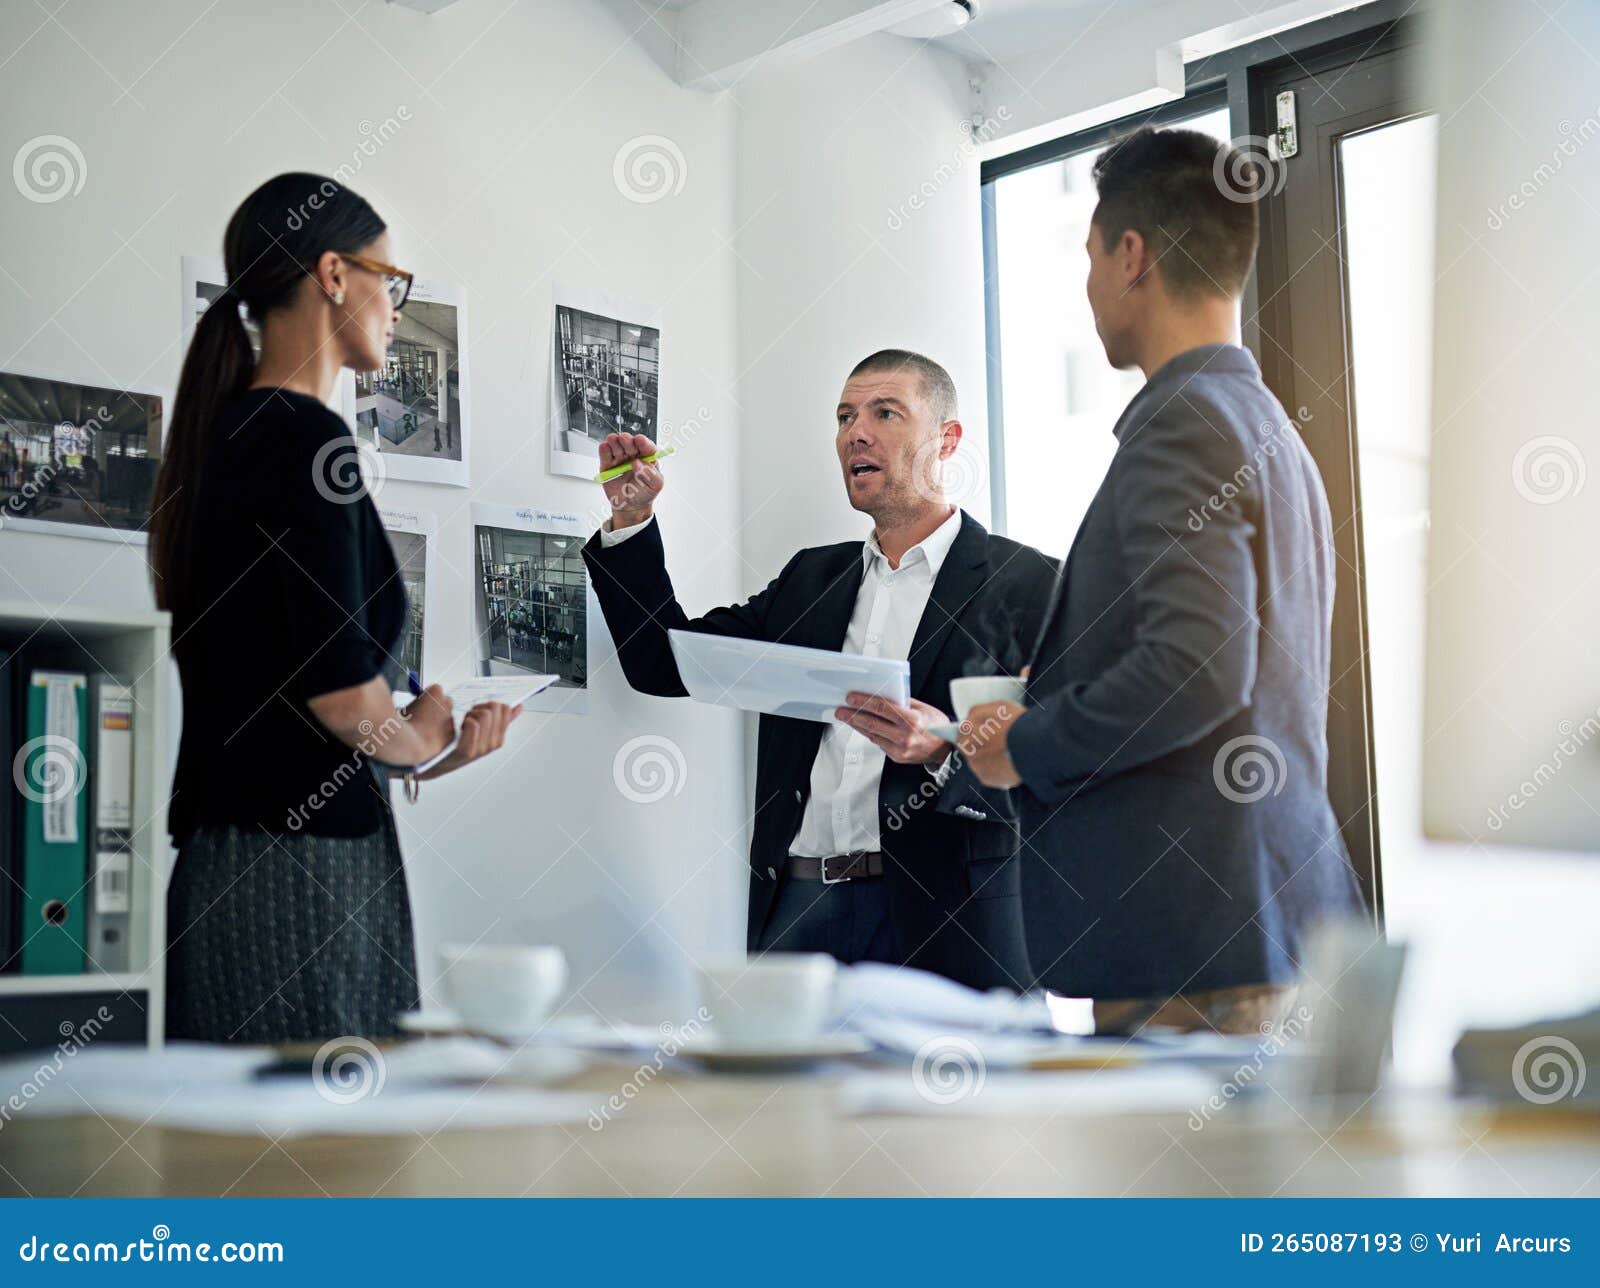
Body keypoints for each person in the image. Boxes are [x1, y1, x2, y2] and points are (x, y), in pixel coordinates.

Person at [960, 128, 1365, 1033]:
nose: (1091, 287)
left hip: (1194, 940)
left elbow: (1198, 667)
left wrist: (1026, 741)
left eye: (1092, 256)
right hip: (1257, 923)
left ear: (1132, 255)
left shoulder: (1183, 424)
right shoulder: (1261, 422)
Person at [149, 173, 521, 1045]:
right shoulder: (308, 440)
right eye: (390, 281)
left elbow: (286, 699)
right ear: (332, 273)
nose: (395, 306)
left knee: (242, 1165)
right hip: (300, 877)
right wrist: (421, 731)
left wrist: (427, 755)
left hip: (231, 857)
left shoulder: (226, 439)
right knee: (330, 1163)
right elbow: (340, 701)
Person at [582, 351, 1058, 991]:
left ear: (948, 440)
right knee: (782, 1095)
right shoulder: (810, 579)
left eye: (885, 412)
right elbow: (665, 661)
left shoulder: (1030, 585)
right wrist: (632, 521)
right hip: (799, 915)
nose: (855, 433)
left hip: (949, 925)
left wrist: (943, 747)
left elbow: (1060, 765)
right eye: (844, 416)